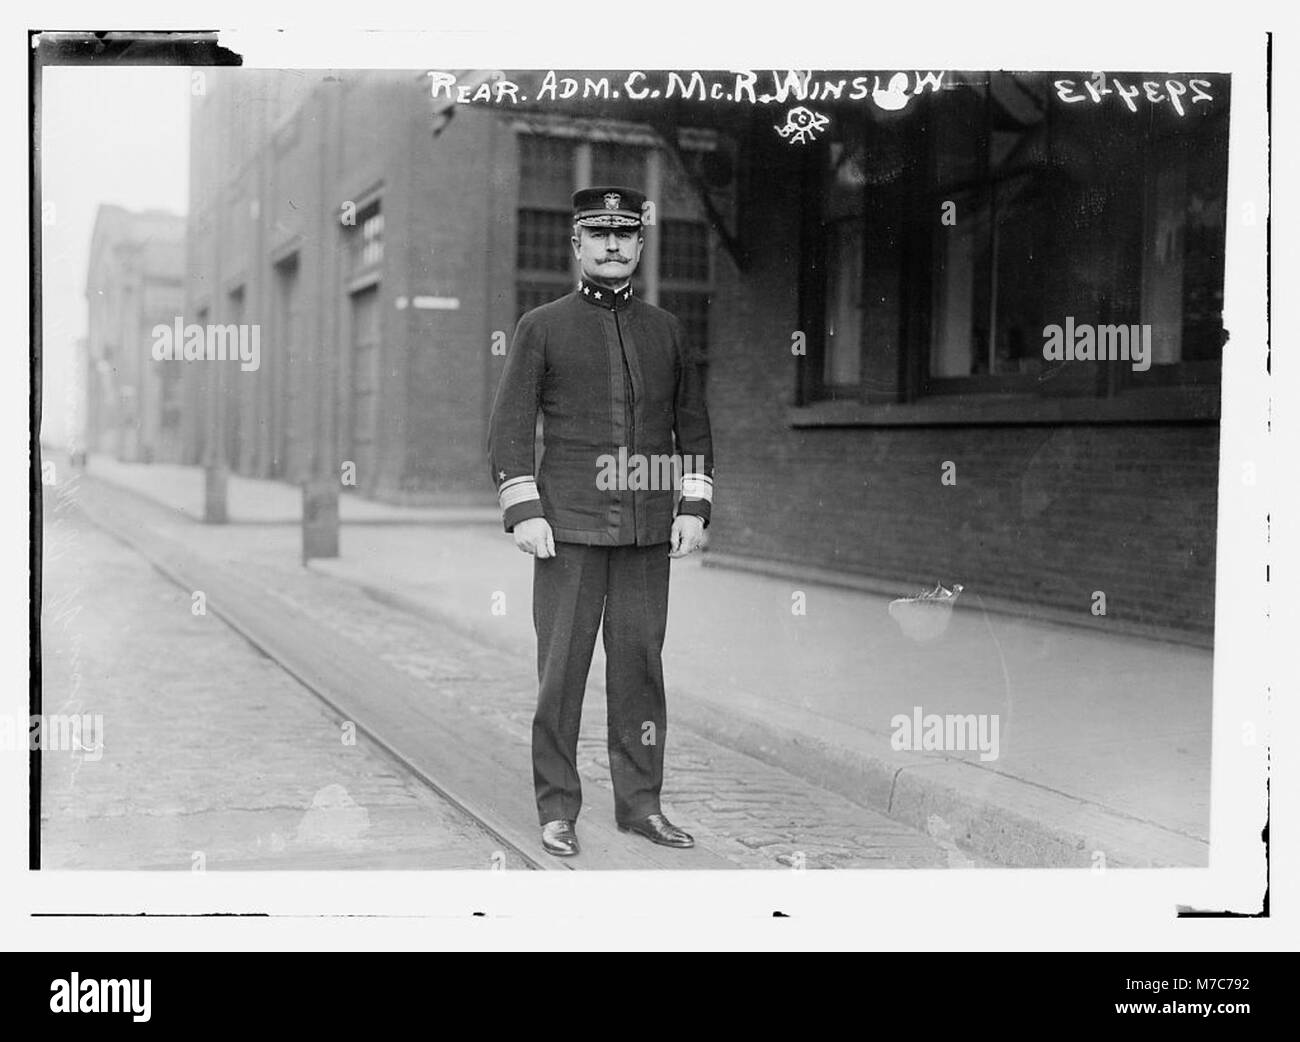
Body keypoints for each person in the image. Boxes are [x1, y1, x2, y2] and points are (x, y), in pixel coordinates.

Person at [488, 185, 714, 857]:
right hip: (569, 528)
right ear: (577, 246)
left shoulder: (665, 329)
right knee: (562, 673)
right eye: (599, 234)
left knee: (640, 668)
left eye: (625, 235)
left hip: (647, 531)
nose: (613, 245)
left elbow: (691, 422)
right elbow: (508, 431)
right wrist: (524, 510)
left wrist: (693, 505)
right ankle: (557, 808)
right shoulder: (543, 326)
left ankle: (641, 805)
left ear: (641, 247)